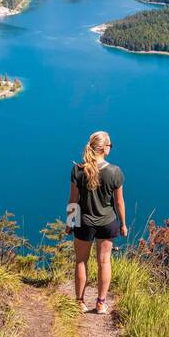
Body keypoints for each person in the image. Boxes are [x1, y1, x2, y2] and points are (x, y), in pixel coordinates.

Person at [67, 130, 127, 314]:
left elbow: (73, 200)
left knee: (81, 261)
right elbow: (118, 202)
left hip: (84, 222)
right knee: (104, 262)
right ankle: (101, 303)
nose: (111, 148)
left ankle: (80, 302)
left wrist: (70, 223)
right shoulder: (114, 171)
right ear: (104, 148)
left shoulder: (78, 170)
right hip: (107, 222)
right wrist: (123, 224)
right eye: (110, 145)